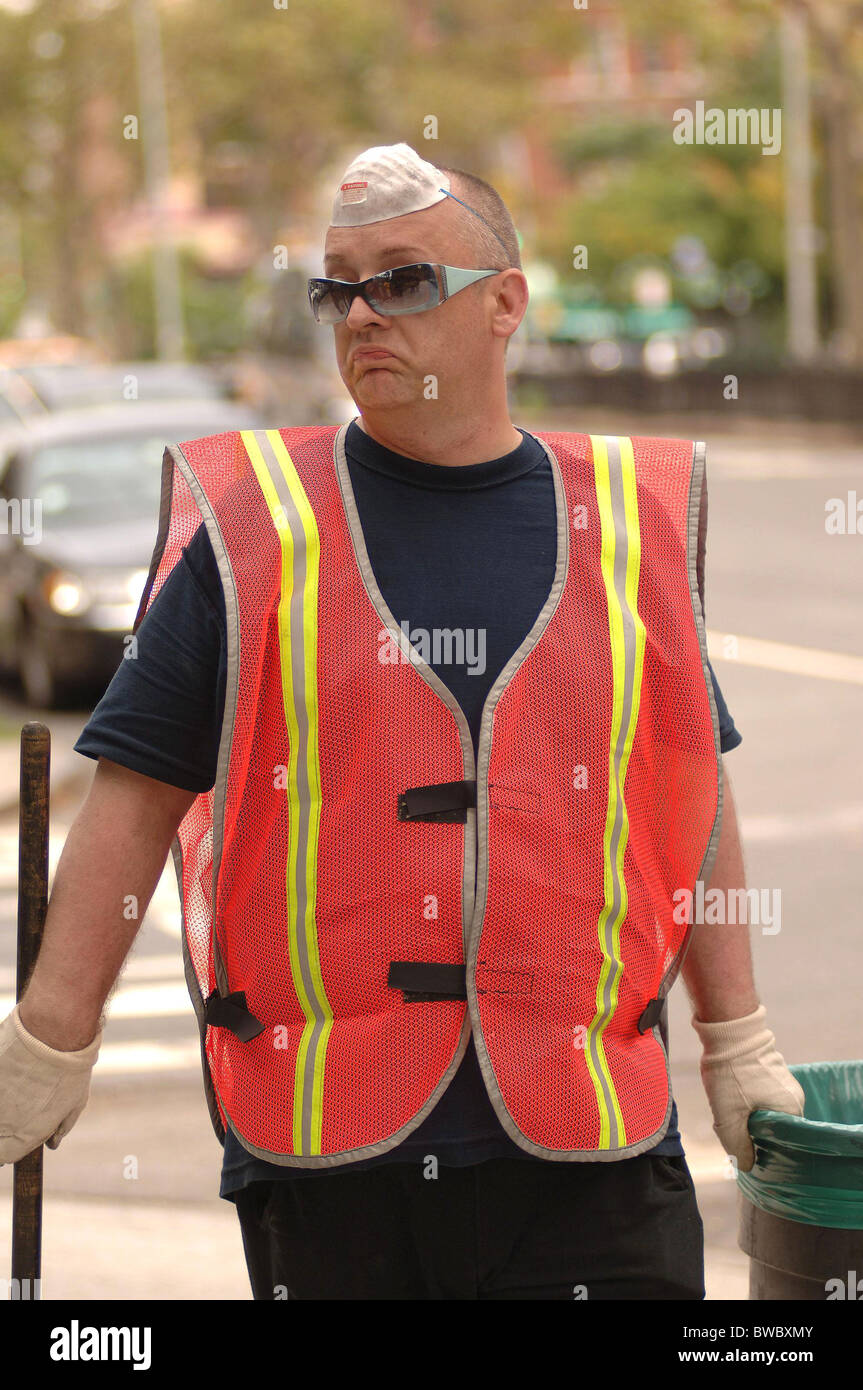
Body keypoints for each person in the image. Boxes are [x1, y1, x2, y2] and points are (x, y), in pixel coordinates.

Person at [0, 143, 805, 1300]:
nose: (362, 313)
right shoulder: (257, 530)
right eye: (338, 286)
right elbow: (132, 799)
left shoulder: (628, 522)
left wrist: (736, 1038)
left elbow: (684, 788)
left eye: (404, 280)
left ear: (505, 306)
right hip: (335, 1172)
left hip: (593, 1157)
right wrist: (52, 1034)